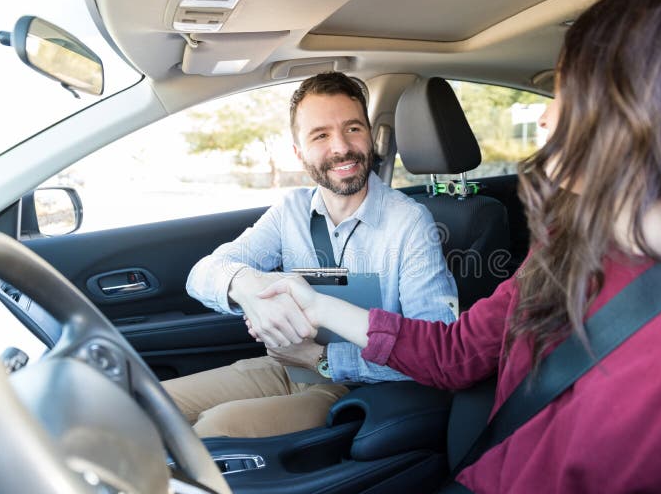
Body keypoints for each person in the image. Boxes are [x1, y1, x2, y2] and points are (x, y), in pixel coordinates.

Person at [251, 0, 661, 494]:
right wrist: (318, 306)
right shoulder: (567, 250)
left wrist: (322, 362)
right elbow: (453, 355)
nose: (545, 117)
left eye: (568, 92)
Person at [163, 72, 458, 438]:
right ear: (299, 152)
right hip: (287, 368)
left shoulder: (410, 223)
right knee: (150, 405)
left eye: (353, 128)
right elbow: (202, 273)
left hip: (362, 386)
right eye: (321, 135)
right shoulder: (291, 211)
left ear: (369, 135)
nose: (341, 147)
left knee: (216, 430)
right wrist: (245, 286)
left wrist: (323, 360)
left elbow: (436, 351)